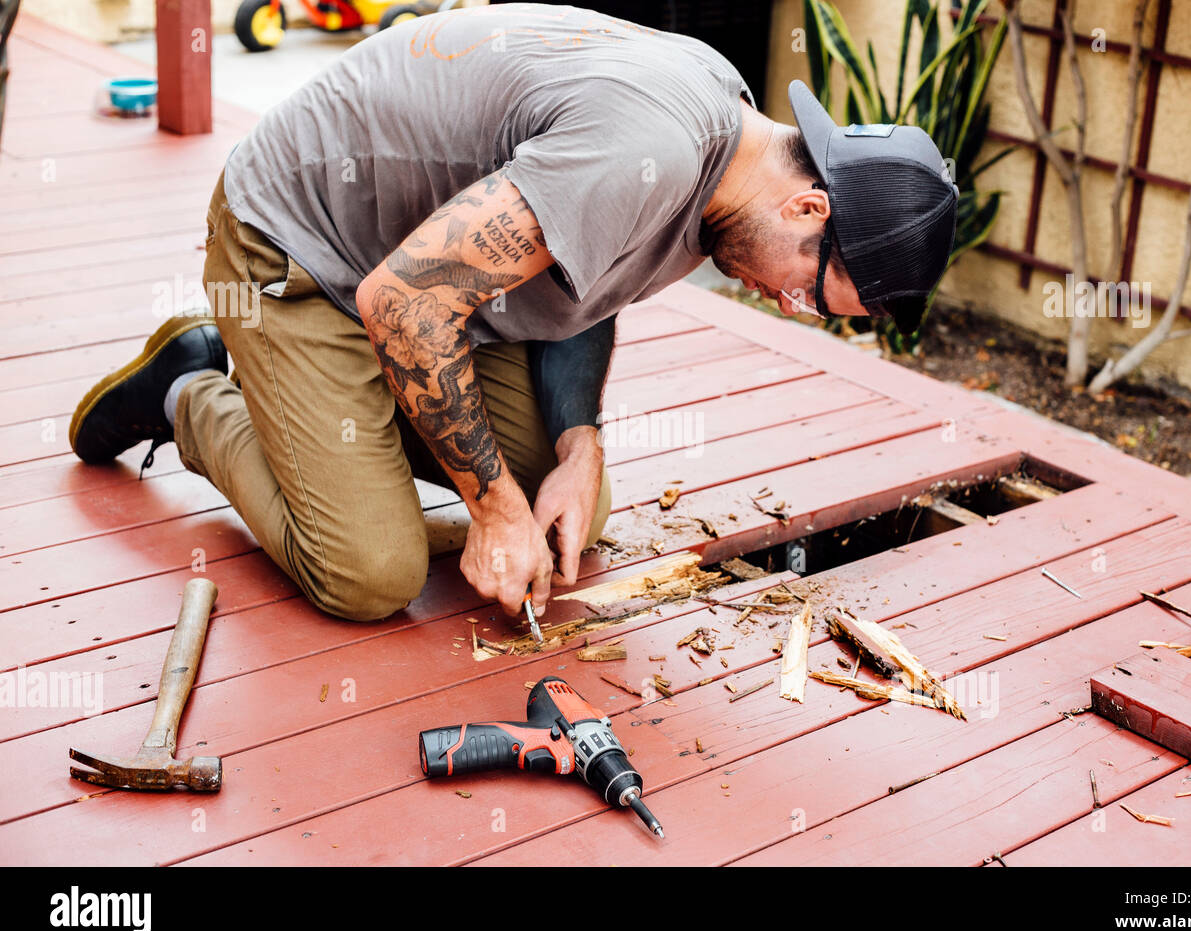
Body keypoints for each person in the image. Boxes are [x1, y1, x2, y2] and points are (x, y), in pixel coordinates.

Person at [70, 3, 957, 622]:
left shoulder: (730, 169)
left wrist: (580, 446)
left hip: (432, 278)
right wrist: (490, 509)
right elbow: (404, 304)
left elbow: (591, 284)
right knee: (372, 575)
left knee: (578, 506)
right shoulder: (644, 146)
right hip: (305, 245)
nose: (792, 304)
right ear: (811, 209)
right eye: (812, 289)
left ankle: (349, 431)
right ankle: (195, 391)